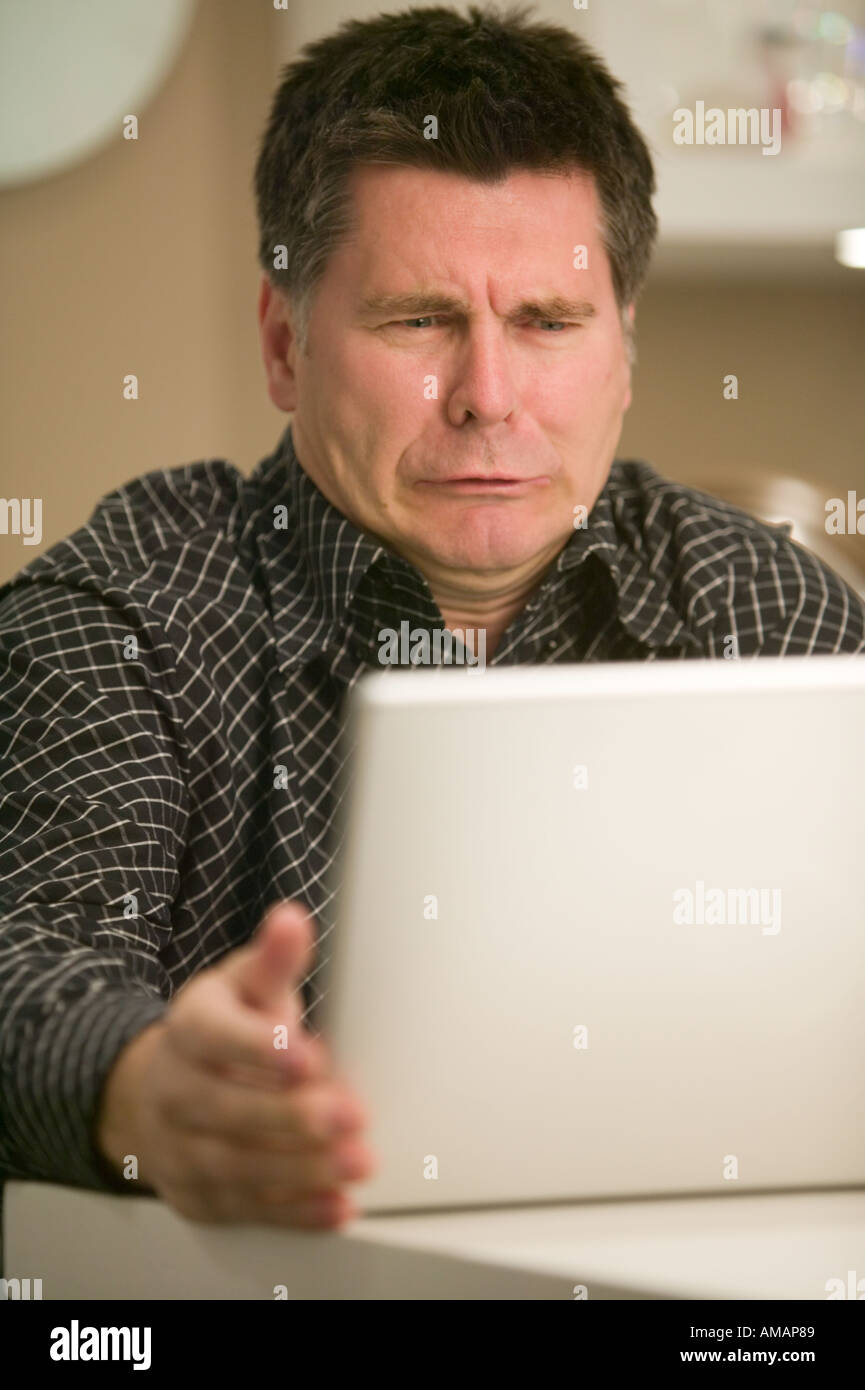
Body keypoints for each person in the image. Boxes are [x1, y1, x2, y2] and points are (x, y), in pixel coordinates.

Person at [1, 3, 863, 1244]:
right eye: (419, 320)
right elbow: (21, 955)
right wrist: (146, 1087)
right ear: (284, 344)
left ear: (623, 349)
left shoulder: (774, 613)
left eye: (548, 324)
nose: (488, 398)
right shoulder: (129, 614)